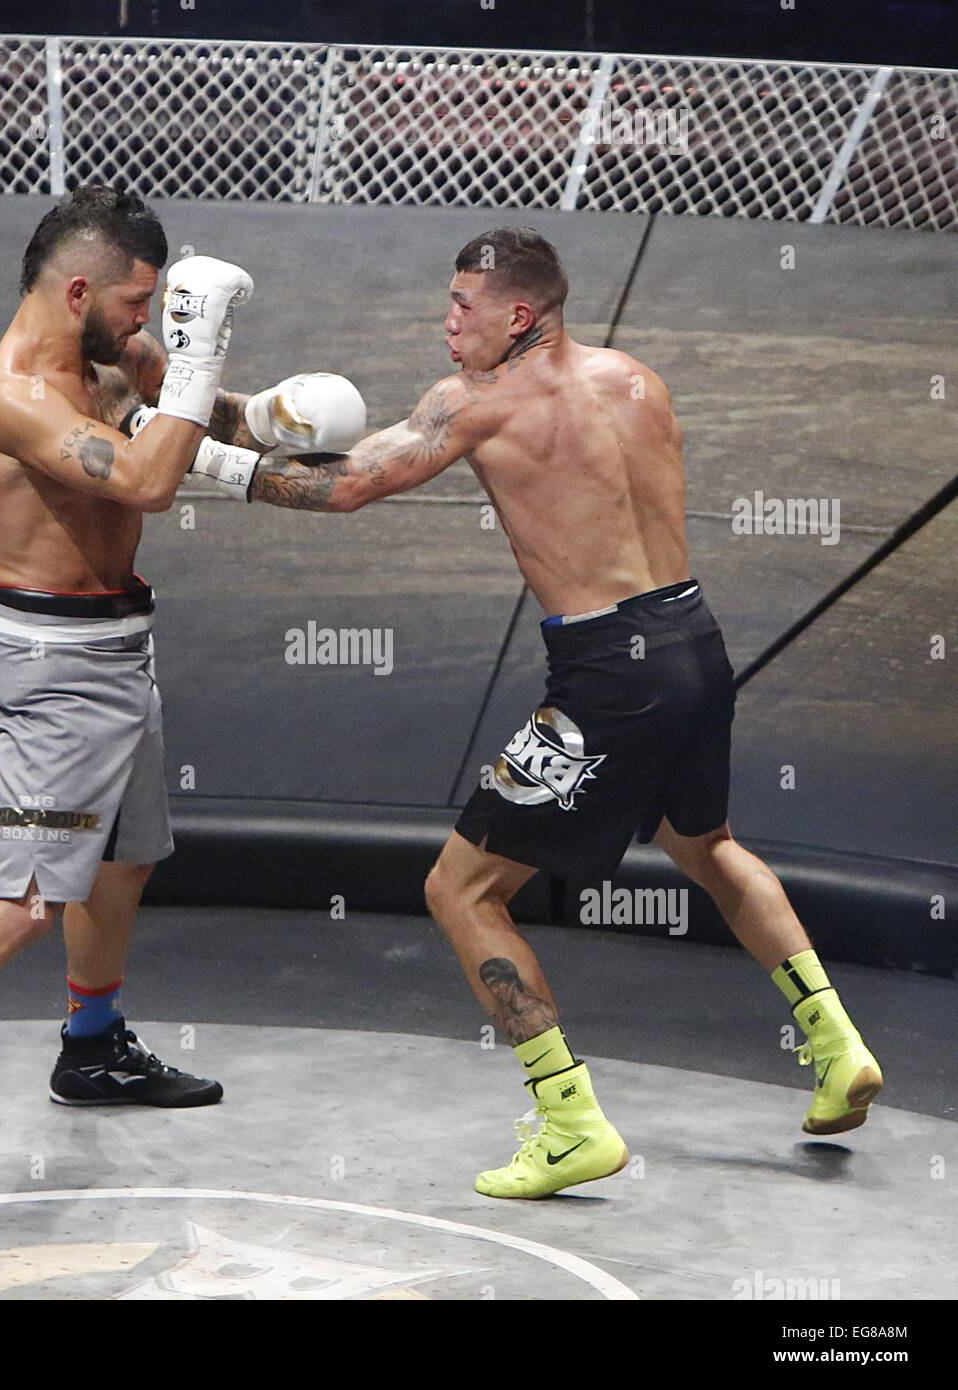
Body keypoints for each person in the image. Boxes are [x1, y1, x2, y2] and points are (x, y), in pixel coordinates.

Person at [190, 225, 884, 1200]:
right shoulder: (635, 379)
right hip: (691, 644)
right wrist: (228, 414)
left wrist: (199, 463)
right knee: (706, 845)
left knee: (460, 890)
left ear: (518, 315)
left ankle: (569, 1123)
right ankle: (835, 1044)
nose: (445, 325)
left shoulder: (476, 402)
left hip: (609, 677)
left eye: (460, 308)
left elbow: (345, 485)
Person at [0, 185, 285, 1207]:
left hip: (118, 645)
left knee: (121, 863)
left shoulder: (105, 357)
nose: (145, 325)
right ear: (79, 288)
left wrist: (282, 416)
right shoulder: (13, 393)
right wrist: (195, 364)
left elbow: (204, 417)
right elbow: (145, 480)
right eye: (135, 304)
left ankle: (91, 1044)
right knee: (26, 901)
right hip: (53, 671)